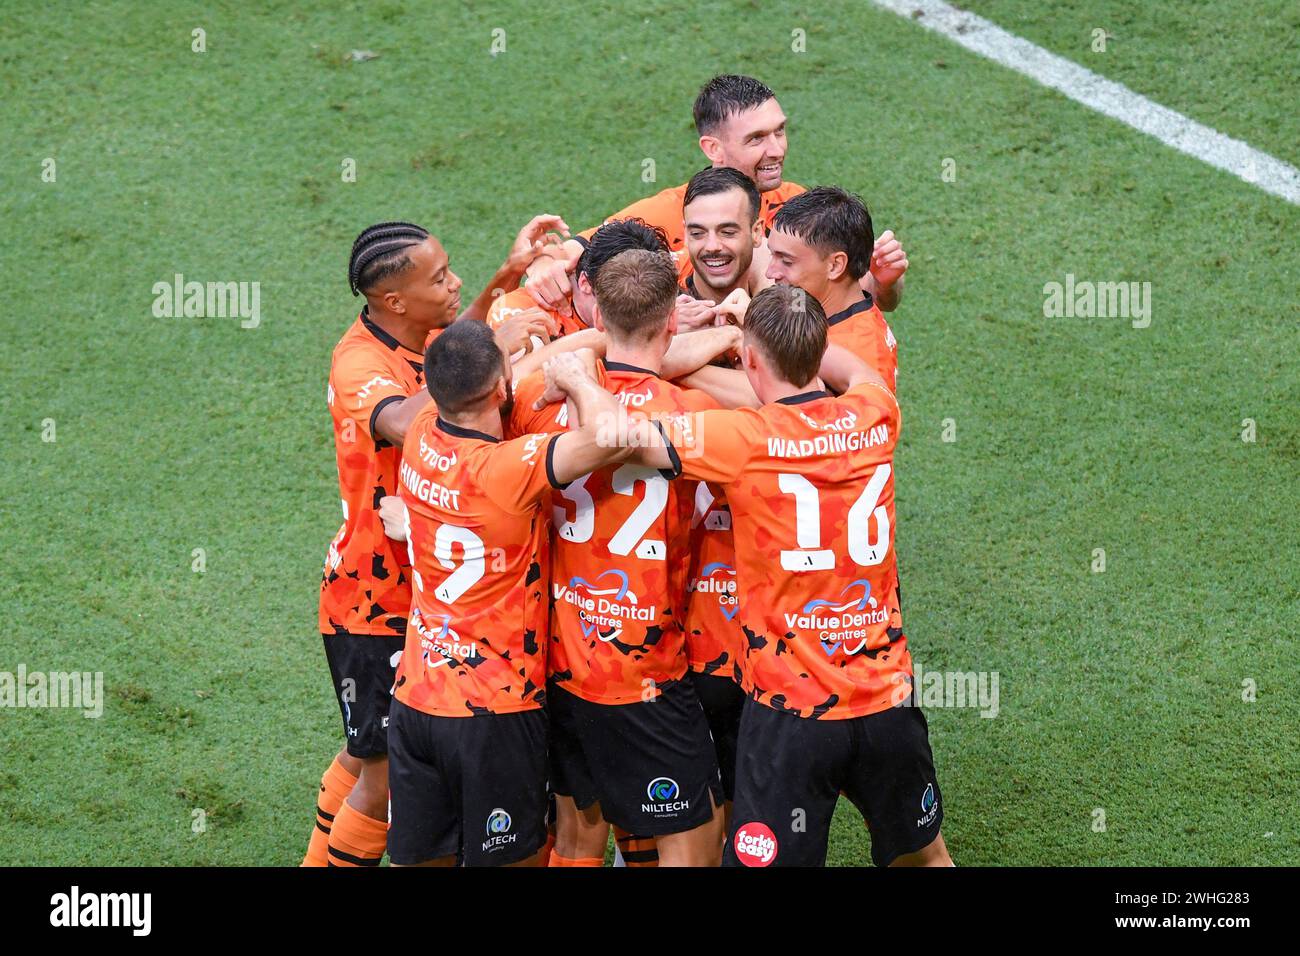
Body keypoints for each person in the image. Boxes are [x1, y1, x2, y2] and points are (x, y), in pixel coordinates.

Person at [632, 285, 953, 867]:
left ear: (751, 360)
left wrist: (586, 375)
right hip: (887, 703)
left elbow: (621, 433)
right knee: (926, 859)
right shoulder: (876, 414)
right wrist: (772, 331)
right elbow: (855, 369)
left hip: (793, 714)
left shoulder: (744, 439)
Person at [303, 215, 562, 868]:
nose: (456, 283)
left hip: (429, 594)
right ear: (393, 300)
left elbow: (451, 358)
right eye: (440, 277)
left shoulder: (424, 331)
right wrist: (496, 350)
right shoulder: (359, 361)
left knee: (368, 755)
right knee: (381, 774)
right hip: (374, 599)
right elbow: (399, 419)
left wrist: (507, 278)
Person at [387, 323, 659, 866]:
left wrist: (532, 352)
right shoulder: (510, 468)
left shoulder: (419, 431)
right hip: (495, 710)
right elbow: (613, 436)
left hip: (416, 700)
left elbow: (508, 376)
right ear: (502, 387)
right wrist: (580, 382)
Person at [543, 249, 726, 867]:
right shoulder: (695, 416)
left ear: (595, 308)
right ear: (673, 320)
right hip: (646, 669)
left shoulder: (541, 406)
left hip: (561, 658)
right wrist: (727, 333)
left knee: (575, 837)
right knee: (694, 837)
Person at [523, 75, 909, 315]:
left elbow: (870, 299)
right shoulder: (669, 211)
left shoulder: (798, 207)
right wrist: (543, 267)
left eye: (779, 131)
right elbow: (568, 252)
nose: (776, 149)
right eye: (756, 138)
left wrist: (885, 279)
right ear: (713, 149)